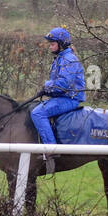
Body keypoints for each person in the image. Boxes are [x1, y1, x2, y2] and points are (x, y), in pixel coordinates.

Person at [30, 26, 85, 174]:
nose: (50, 46)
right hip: (62, 97)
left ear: (62, 44)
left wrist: (46, 86)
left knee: (37, 113)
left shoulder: (69, 59)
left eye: (52, 44)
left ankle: (51, 149)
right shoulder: (60, 58)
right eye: (50, 43)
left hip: (70, 99)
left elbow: (63, 84)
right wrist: (47, 88)